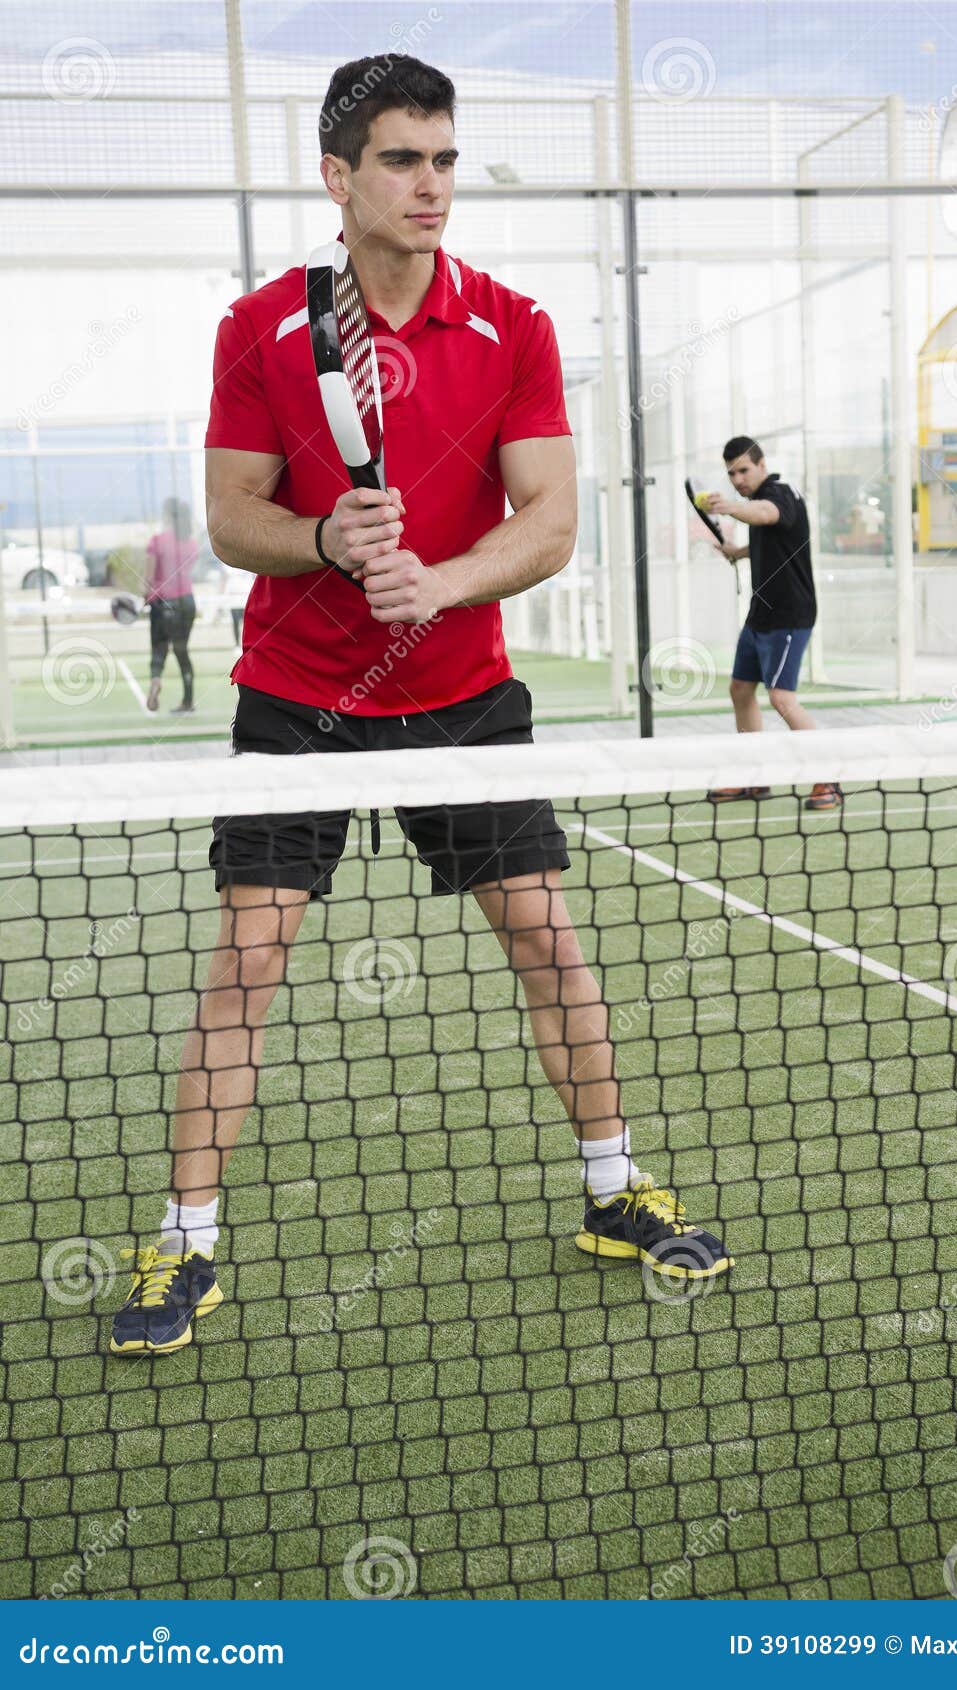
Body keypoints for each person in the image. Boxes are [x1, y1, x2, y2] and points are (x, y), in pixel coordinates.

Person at [110, 53, 732, 1356]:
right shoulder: (265, 329)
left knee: (549, 943)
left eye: (445, 159)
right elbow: (233, 517)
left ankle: (614, 1190)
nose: (430, 184)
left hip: (461, 695)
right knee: (248, 962)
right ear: (338, 176)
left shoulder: (513, 324)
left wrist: (436, 580)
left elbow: (551, 520)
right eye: (402, 159)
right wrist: (329, 537)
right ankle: (185, 1241)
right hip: (296, 698)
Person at [694, 436, 840, 812]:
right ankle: (753, 778)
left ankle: (829, 776)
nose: (738, 478)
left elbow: (768, 515)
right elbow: (769, 537)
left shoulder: (779, 493)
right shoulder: (756, 501)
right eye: (731, 474)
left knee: (780, 697)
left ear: (761, 465)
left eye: (743, 470)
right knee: (741, 689)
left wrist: (730, 507)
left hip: (790, 615)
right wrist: (739, 552)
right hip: (760, 614)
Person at [144, 497, 198, 714]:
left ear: (167, 515)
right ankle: (188, 702)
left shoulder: (157, 541)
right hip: (187, 602)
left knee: (159, 648)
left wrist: (145, 596)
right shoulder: (192, 543)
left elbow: (149, 579)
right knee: (182, 651)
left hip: (163, 602)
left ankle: (156, 681)